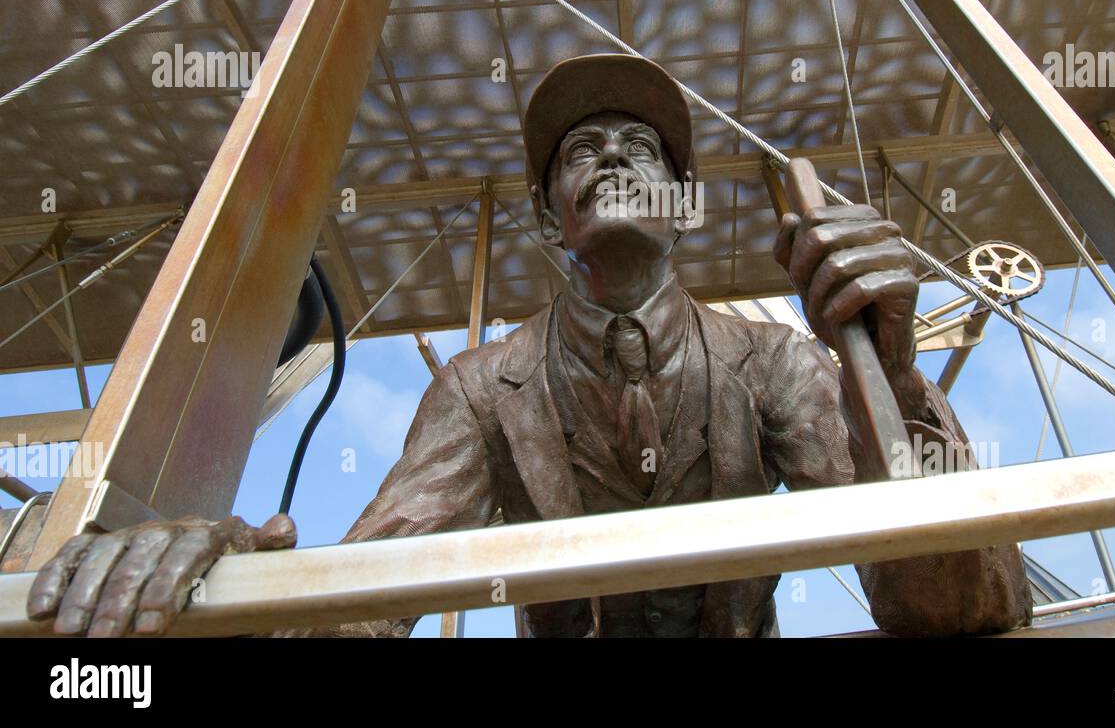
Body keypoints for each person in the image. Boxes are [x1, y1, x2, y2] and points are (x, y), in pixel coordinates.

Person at [26, 53, 1032, 638]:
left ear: (679, 211)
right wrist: (227, 587)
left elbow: (950, 610)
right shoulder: (479, 388)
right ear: (552, 221)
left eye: (640, 150)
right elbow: (372, 594)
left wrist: (890, 383)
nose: (610, 159)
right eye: (580, 154)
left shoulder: (769, 363)